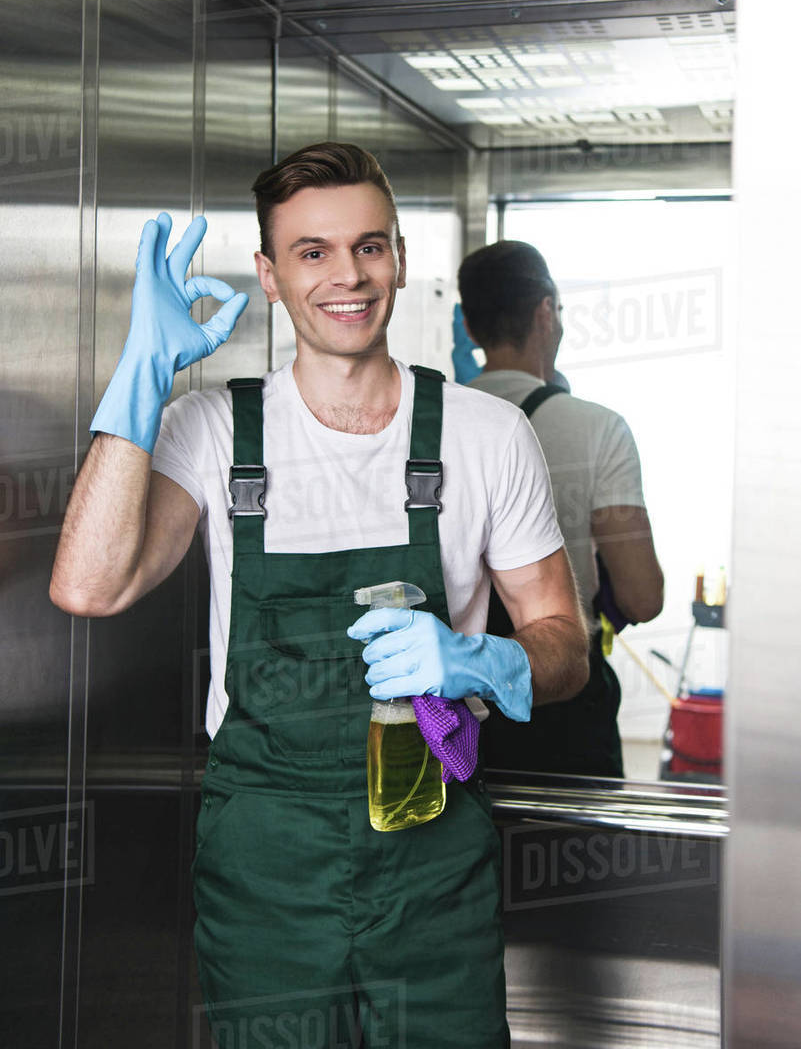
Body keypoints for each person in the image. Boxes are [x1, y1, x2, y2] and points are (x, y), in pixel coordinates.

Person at [50, 145, 589, 1049]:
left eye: (368, 247)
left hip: (432, 858)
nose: (347, 275)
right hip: (266, 868)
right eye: (311, 252)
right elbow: (88, 585)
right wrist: (140, 372)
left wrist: (491, 662)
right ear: (268, 274)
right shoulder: (212, 429)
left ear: (400, 260)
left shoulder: (485, 435)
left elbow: (564, 644)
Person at [457, 239, 663, 779]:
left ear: (472, 327)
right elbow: (642, 596)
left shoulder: (429, 423)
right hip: (565, 704)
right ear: (545, 311)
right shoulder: (598, 428)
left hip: (456, 709)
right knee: (570, 859)